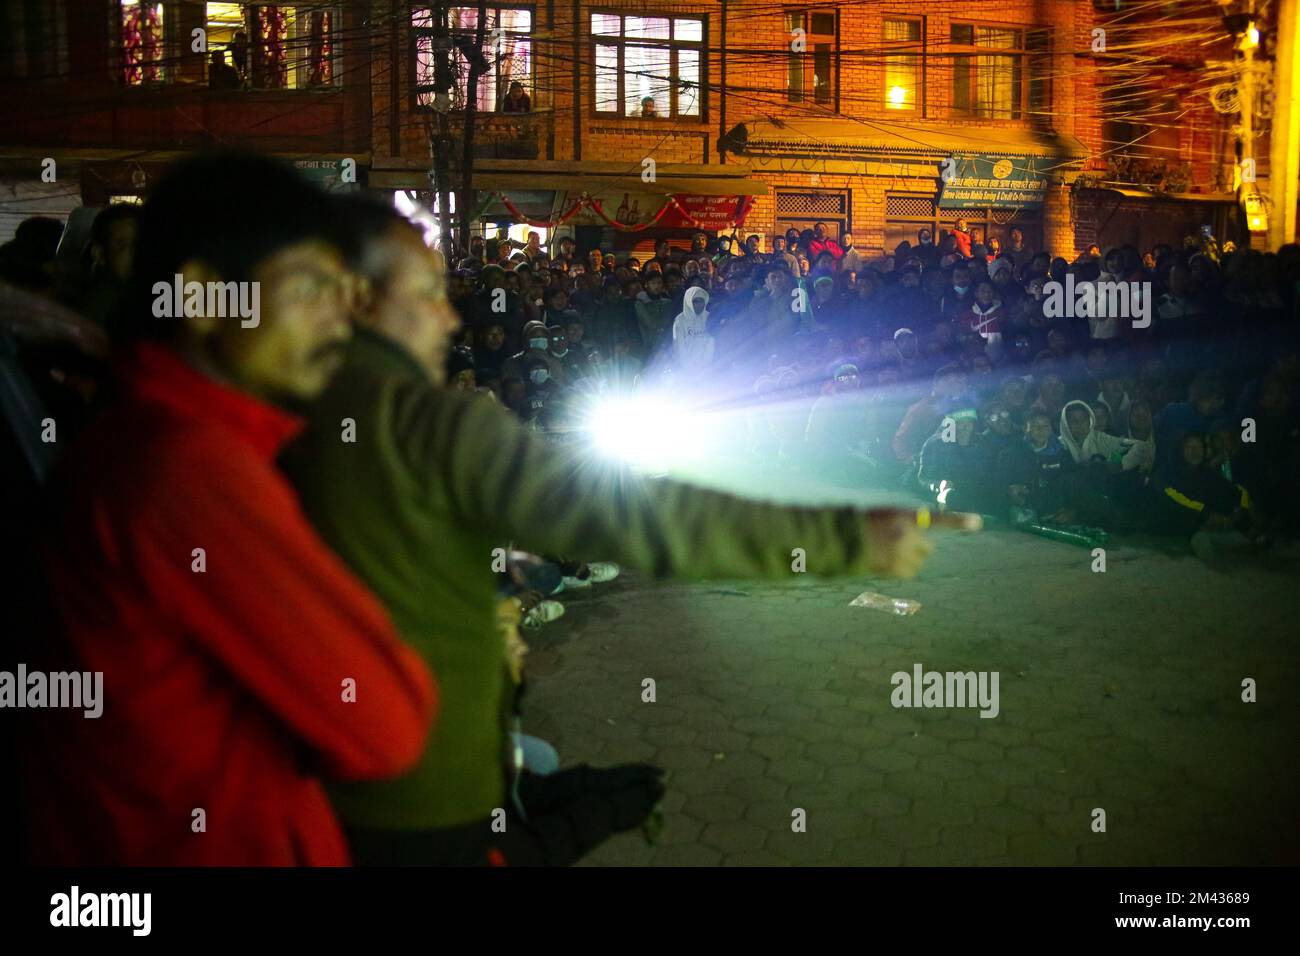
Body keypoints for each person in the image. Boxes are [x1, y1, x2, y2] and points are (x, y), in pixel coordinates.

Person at [280, 198, 970, 865]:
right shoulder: (432, 422)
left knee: (539, 762)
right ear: (363, 302)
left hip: (341, 786)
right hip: (421, 794)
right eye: (426, 291)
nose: (446, 313)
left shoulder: (288, 417)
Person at [22, 153, 437, 866]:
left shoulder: (158, 435)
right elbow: (386, 724)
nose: (339, 322)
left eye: (344, 291)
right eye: (308, 287)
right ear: (204, 297)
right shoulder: (189, 471)